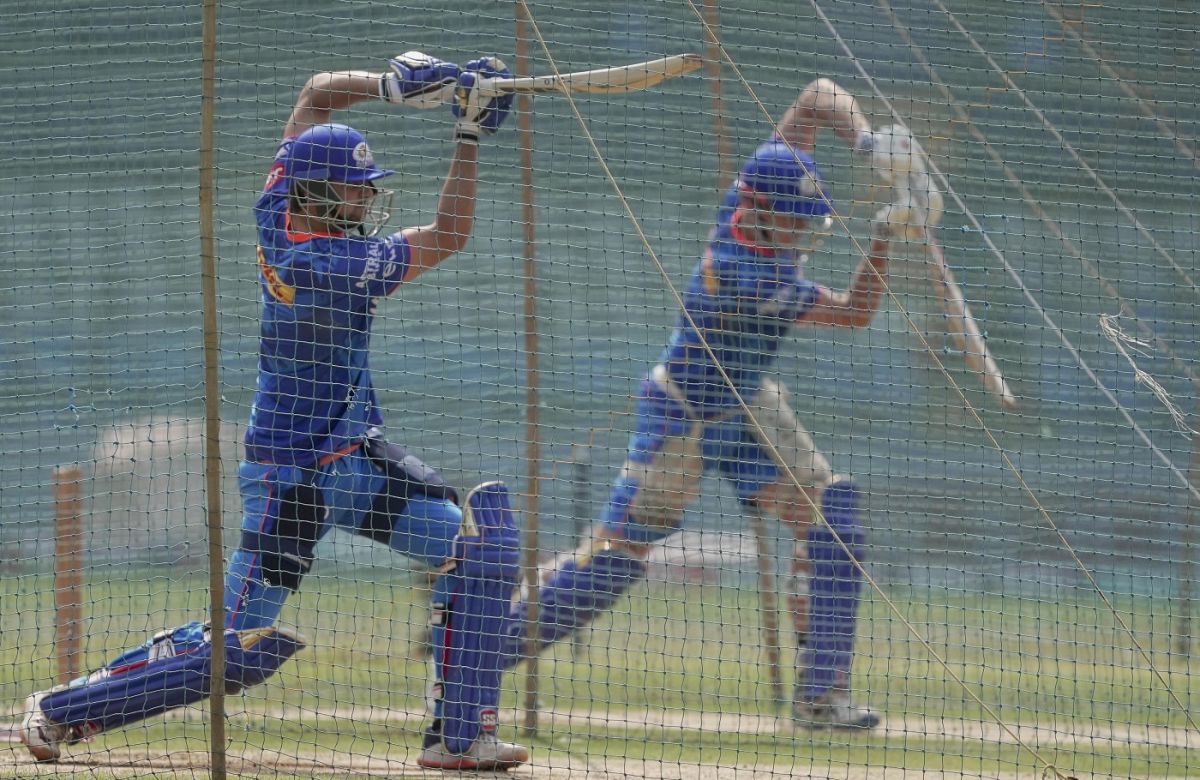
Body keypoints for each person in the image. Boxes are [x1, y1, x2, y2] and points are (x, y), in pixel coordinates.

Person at [22, 52, 530, 770]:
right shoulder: (321, 269)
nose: (366, 204)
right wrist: (468, 138)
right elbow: (448, 236)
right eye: (356, 194)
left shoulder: (275, 205)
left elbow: (318, 92)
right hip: (289, 477)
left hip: (353, 457)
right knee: (232, 646)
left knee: (473, 555)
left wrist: (395, 86)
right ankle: (61, 710)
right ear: (319, 195)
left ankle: (458, 736)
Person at [501, 78, 937, 729]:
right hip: (684, 415)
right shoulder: (740, 280)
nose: (798, 235)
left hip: (749, 404)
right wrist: (885, 237)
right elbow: (854, 314)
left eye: (805, 223)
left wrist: (868, 142)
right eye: (790, 224)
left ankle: (821, 696)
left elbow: (816, 95)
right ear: (759, 214)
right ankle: (472, 647)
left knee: (833, 523)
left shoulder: (755, 184)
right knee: (613, 564)